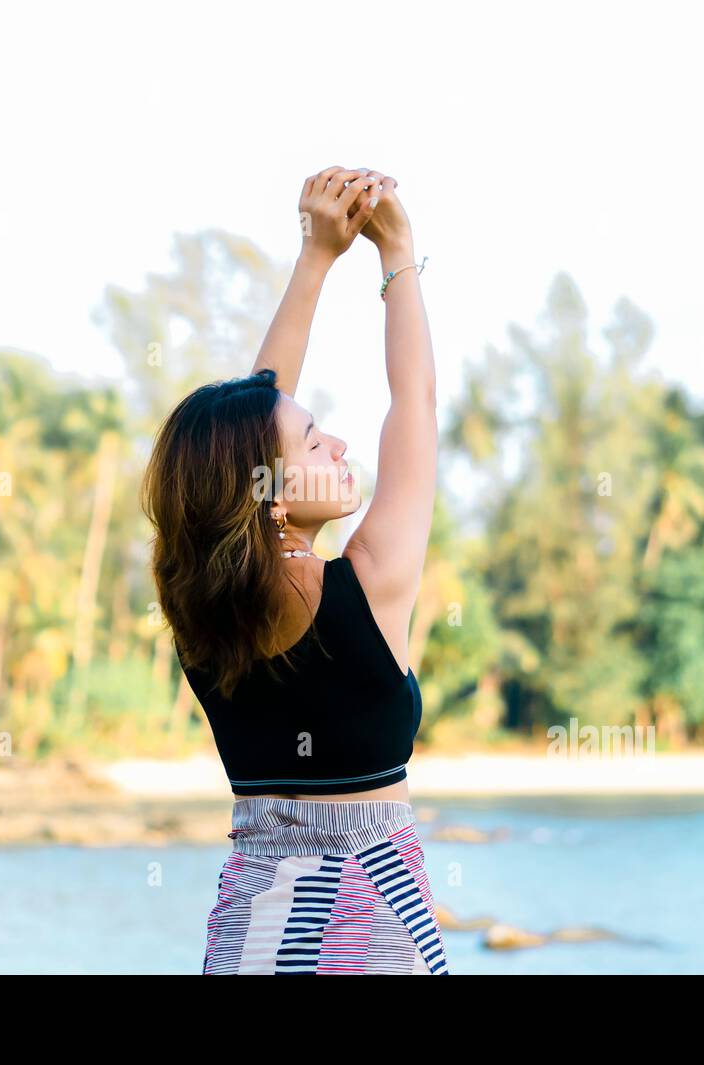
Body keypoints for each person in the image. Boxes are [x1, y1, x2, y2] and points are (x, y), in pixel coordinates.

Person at [141, 165, 446, 974]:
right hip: (371, 934)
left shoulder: (198, 616)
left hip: (251, 938)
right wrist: (397, 255)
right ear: (272, 495)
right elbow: (413, 400)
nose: (340, 444)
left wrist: (316, 257)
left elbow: (254, 418)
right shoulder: (371, 581)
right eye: (316, 441)